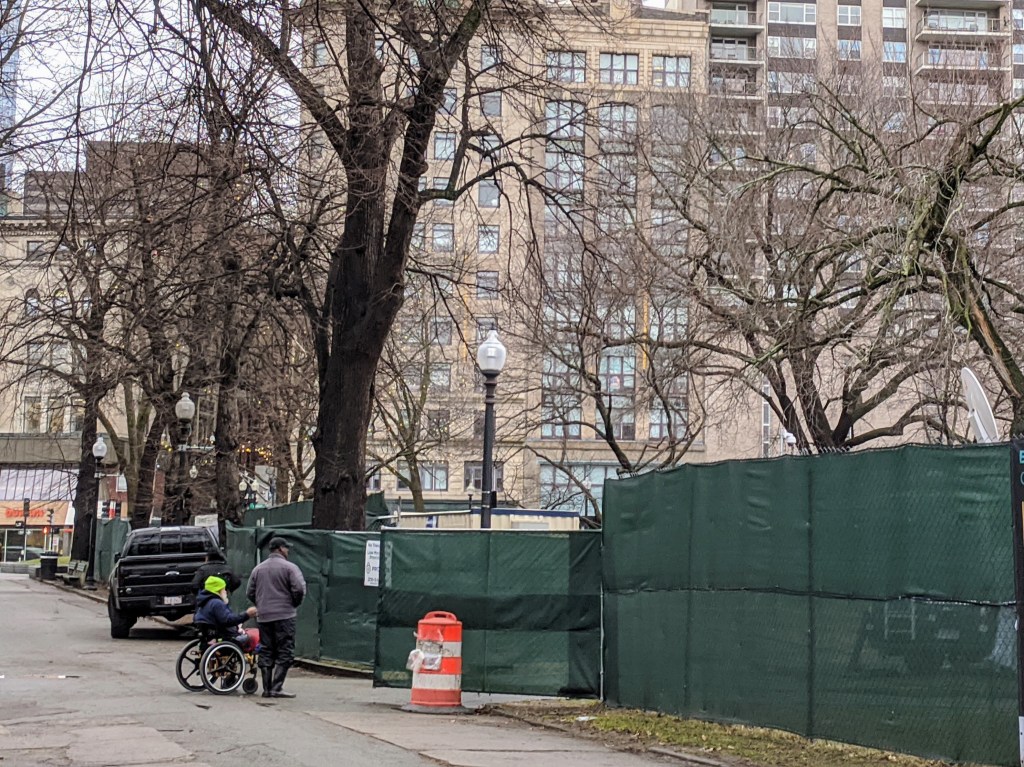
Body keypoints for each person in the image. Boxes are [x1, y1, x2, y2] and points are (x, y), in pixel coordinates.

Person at [246, 537, 306, 699]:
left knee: (266, 650)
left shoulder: (258, 569)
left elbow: (249, 592)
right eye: (286, 548)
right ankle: (277, 687)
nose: (288, 551)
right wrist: (293, 604)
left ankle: (266, 688)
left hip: (264, 617)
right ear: (280, 549)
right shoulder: (290, 568)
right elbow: (299, 589)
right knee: (285, 650)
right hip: (285, 615)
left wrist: (262, 604)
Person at [193, 575, 257, 643]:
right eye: (224, 589)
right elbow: (228, 620)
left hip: (210, 637)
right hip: (225, 638)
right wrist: (247, 614)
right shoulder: (216, 603)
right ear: (218, 590)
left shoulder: (203, 603)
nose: (226, 592)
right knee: (254, 636)